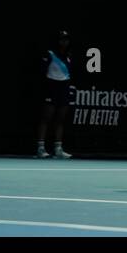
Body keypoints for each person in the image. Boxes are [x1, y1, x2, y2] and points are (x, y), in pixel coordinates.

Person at [36, 30, 75, 159]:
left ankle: (58, 149)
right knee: (46, 118)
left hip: (64, 89)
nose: (64, 42)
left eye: (66, 39)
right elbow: (42, 71)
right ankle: (41, 148)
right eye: (62, 39)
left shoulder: (69, 55)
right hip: (51, 88)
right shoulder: (50, 54)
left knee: (60, 120)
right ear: (58, 41)